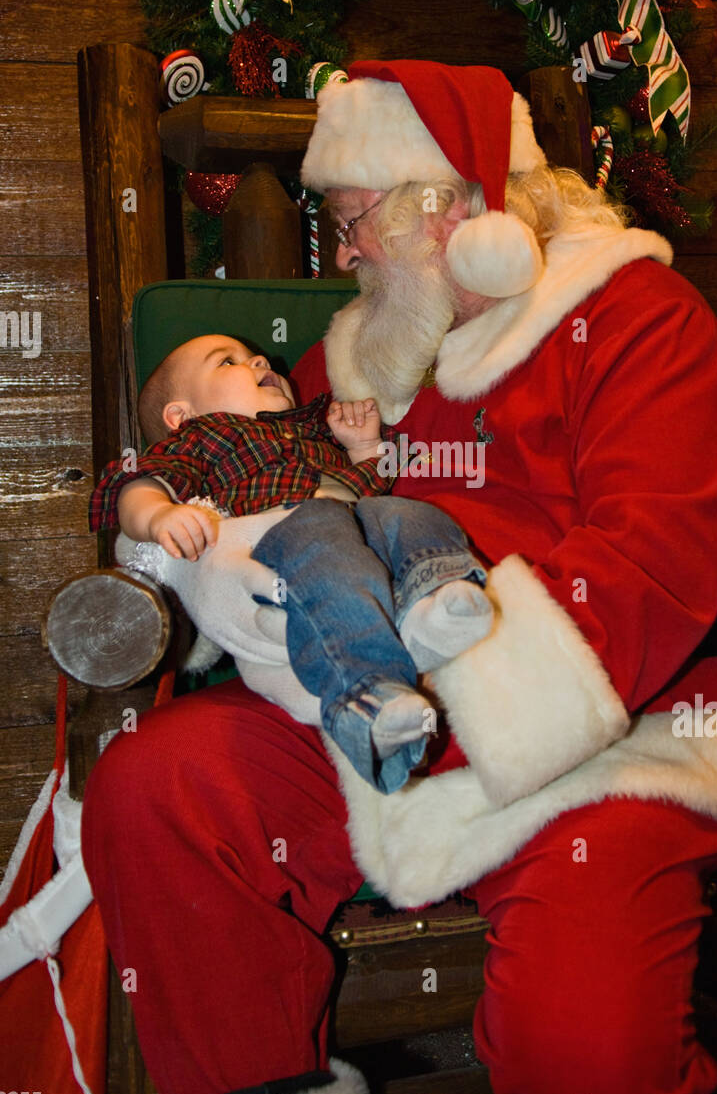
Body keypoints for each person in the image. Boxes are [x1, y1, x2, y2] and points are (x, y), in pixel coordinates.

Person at [81, 58, 717, 1094]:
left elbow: (652, 570)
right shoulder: (359, 360)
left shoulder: (638, 318)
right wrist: (185, 556)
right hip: (365, 705)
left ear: (455, 198)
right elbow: (237, 496)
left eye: (359, 215)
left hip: (609, 731)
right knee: (160, 789)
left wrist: (431, 694)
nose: (346, 251)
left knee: (580, 1041)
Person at [88, 333, 491, 794]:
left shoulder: (313, 430)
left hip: (355, 520)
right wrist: (158, 515)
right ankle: (366, 693)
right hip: (286, 543)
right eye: (228, 362)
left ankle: (433, 603)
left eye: (253, 354)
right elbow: (137, 488)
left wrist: (362, 447)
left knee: (411, 515)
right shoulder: (205, 438)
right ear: (182, 416)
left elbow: (368, 486)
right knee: (327, 538)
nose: (258, 358)